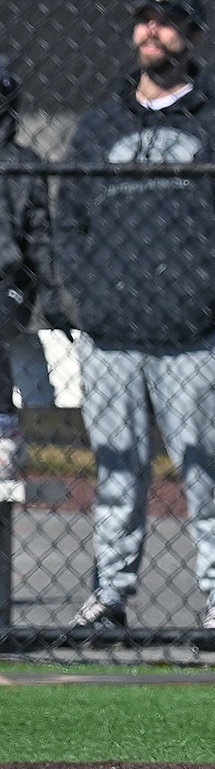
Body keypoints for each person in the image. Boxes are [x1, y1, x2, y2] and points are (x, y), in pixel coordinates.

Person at [54, 0, 215, 645]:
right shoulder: (101, 124)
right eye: (145, 20)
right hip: (110, 334)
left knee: (208, 470)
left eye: (169, 22)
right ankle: (110, 594)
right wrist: (86, 293)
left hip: (190, 336)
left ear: (193, 36)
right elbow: (70, 220)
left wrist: (205, 287)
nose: (153, 32)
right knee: (117, 472)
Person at [0, 55, 52, 482]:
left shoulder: (23, 166)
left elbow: (39, 243)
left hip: (8, 287)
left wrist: (51, 296)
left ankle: (3, 431)